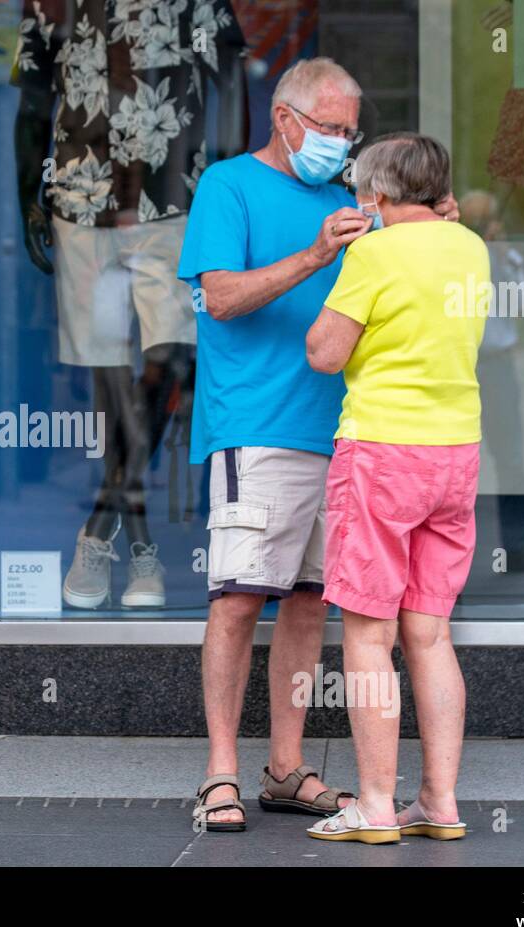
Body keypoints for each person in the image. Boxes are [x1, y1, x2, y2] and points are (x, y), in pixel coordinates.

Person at [179, 57, 374, 832]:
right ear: (284, 119)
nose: (341, 142)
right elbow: (220, 296)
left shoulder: (346, 201)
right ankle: (219, 774)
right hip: (255, 425)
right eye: (329, 127)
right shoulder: (228, 186)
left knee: (308, 603)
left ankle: (286, 767)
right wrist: (316, 255)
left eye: (351, 130)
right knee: (237, 598)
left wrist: (430, 224)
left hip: (342, 429)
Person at [12, 0, 246, 610]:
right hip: (78, 196)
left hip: (172, 196)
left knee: (168, 362)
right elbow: (35, 96)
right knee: (111, 381)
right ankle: (140, 548)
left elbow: (231, 76)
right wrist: (27, 198)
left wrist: (227, 183)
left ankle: (99, 524)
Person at [304, 132, 486, 844]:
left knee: (369, 635)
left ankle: (376, 806)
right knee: (431, 632)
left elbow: (324, 352)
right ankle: (438, 801)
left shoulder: (373, 252)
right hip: (456, 452)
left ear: (376, 196)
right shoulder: (468, 247)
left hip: (382, 451)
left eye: (360, 194)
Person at [459, 190, 524, 571]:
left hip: (497, 366)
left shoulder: (508, 258)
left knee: (510, 456)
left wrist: (502, 253)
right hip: (457, 365)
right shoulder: (452, 256)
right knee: (452, 458)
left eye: (483, 220)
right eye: (471, 220)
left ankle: (517, 545)